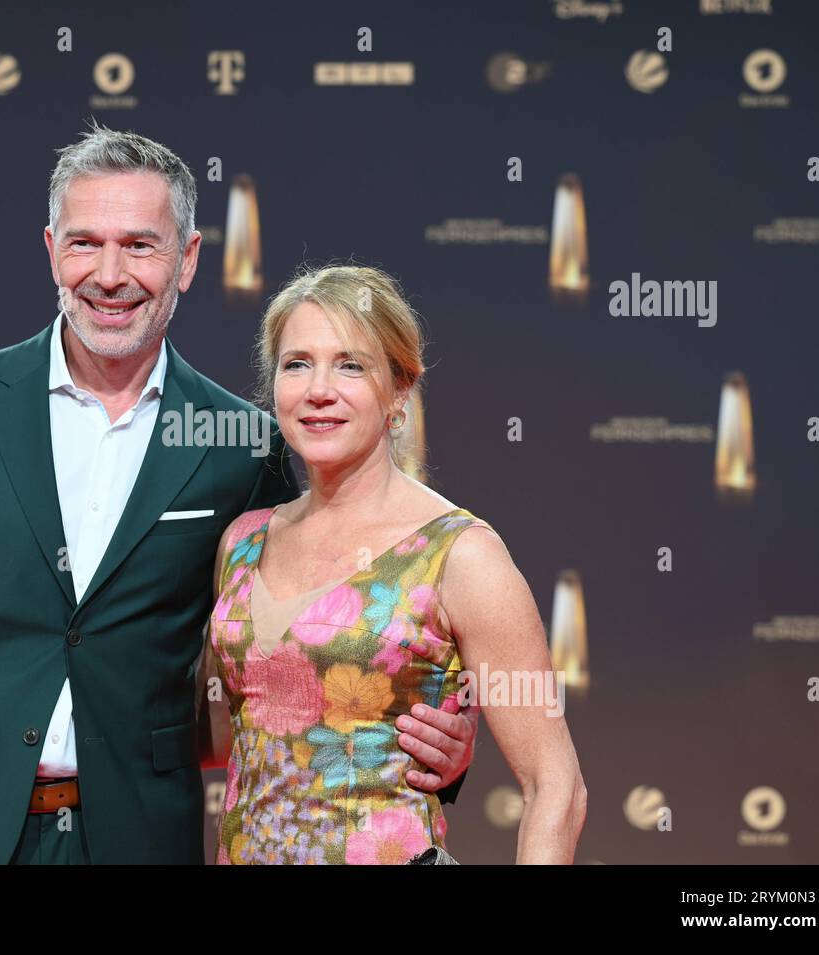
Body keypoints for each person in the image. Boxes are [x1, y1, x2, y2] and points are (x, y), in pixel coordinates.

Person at [0, 123, 477, 865]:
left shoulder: (241, 444)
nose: (110, 274)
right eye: (86, 242)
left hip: (135, 839)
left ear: (185, 261)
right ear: (52, 249)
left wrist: (438, 736)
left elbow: (332, 624)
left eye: (140, 245)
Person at [209, 264, 587, 864]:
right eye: (297, 363)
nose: (319, 390)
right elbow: (230, 732)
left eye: (351, 365)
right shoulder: (243, 543)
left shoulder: (460, 556)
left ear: (399, 392)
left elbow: (555, 785)